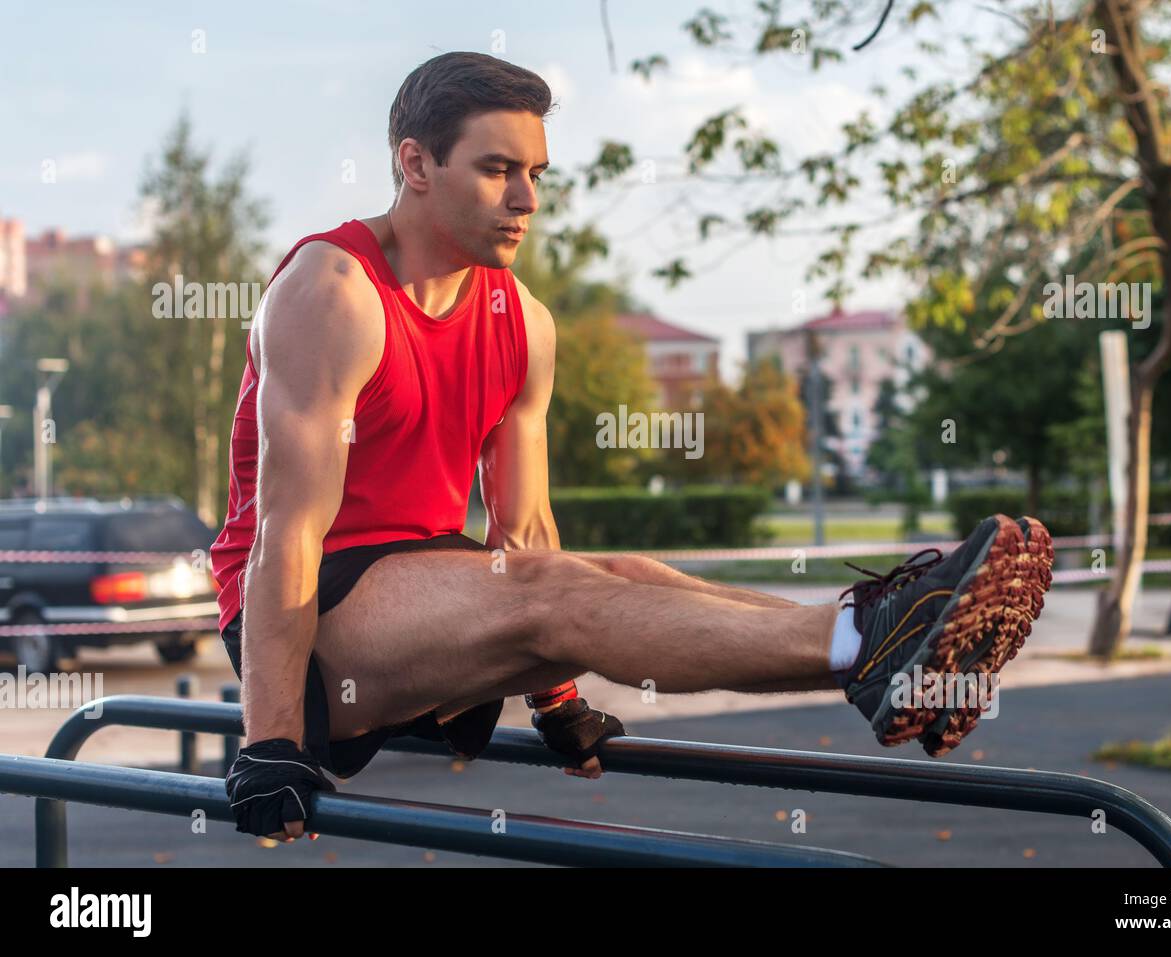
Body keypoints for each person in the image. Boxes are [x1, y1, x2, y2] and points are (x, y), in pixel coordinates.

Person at [212, 52, 1055, 843]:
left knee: (623, 575)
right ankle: (872, 637)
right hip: (305, 613)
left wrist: (556, 698)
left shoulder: (524, 323)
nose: (527, 200)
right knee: (557, 592)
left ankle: (872, 638)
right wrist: (271, 743)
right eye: (498, 169)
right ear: (416, 164)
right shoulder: (333, 292)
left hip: (425, 581)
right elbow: (287, 534)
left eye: (536, 174)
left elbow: (528, 534)